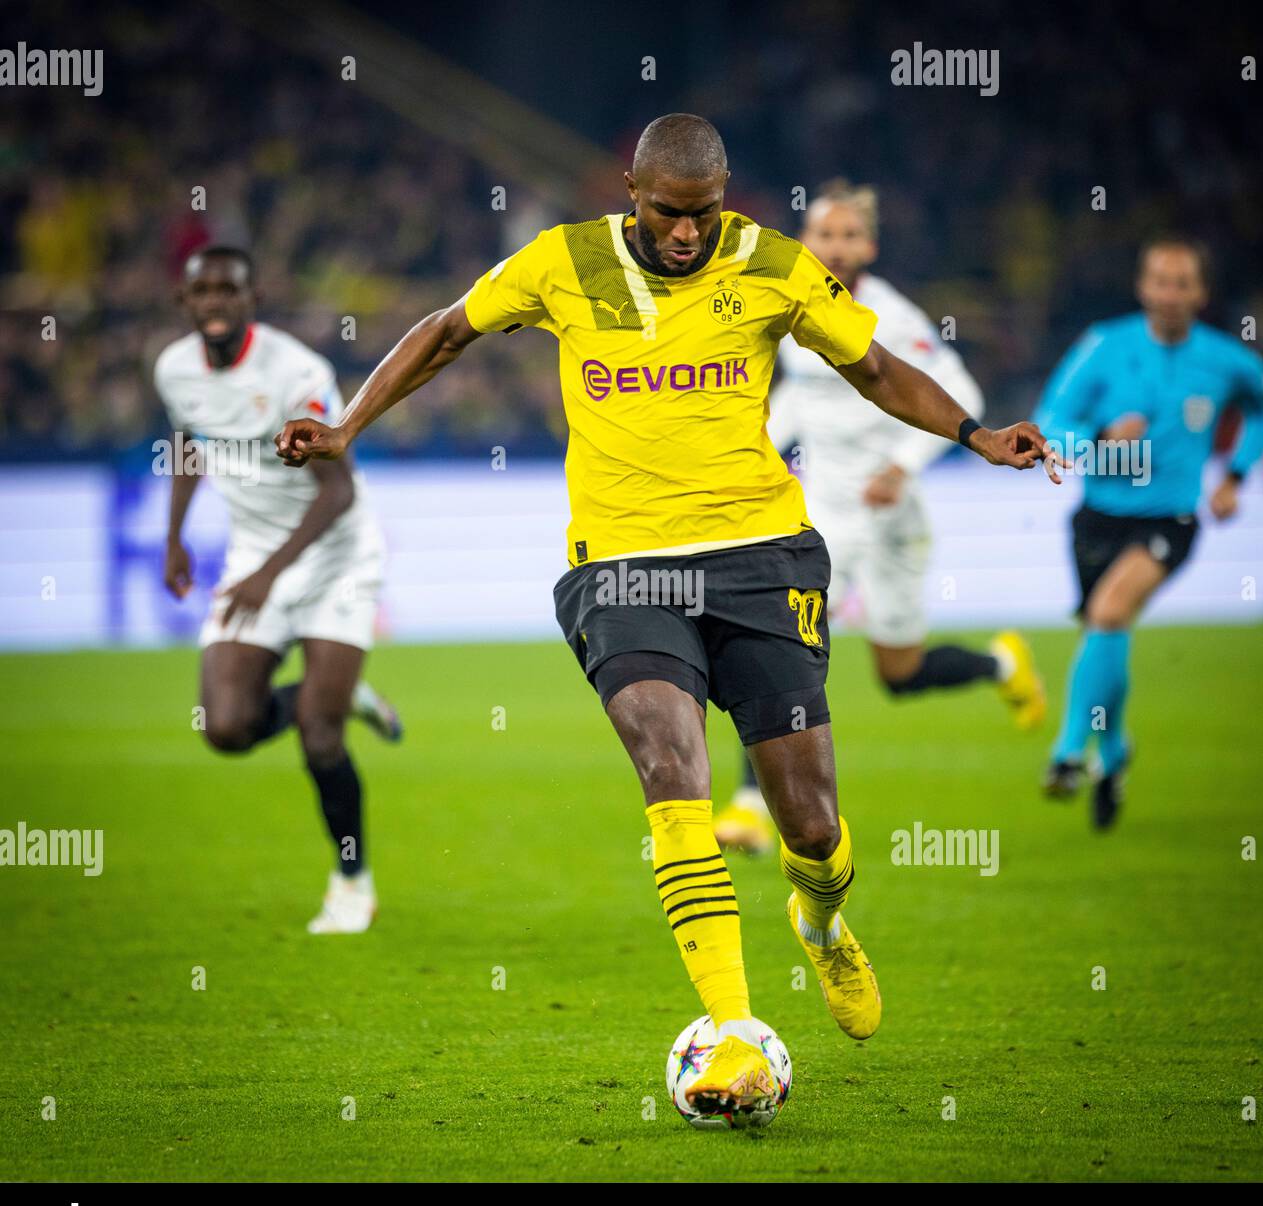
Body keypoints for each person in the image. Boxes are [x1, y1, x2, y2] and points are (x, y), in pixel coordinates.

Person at [276, 115, 1061, 1121]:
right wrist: (346, 423)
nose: (686, 236)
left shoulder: (774, 266)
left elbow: (871, 367)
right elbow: (444, 332)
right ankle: (732, 1027)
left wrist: (973, 431)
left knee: (811, 827)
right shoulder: (562, 262)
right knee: (670, 767)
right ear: (630, 195)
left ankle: (820, 924)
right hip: (622, 565)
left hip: (759, 554)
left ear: (725, 198)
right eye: (665, 216)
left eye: (703, 216)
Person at [713, 181, 1045, 856]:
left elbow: (964, 392)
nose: (834, 247)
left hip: (892, 517)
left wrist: (904, 465)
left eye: (847, 235)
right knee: (782, 642)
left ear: (870, 244)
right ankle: (751, 805)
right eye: (823, 234)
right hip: (823, 514)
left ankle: (998, 664)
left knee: (900, 675)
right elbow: (804, 404)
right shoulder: (789, 308)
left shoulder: (893, 319)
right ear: (807, 241)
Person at [156, 246, 401, 934]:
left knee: (320, 741)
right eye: (201, 292)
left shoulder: (297, 373)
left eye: (227, 291)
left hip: (336, 555)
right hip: (254, 555)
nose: (214, 303)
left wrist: (274, 573)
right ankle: (334, 693)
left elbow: (339, 487)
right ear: (185, 302)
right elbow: (187, 445)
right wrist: (175, 536)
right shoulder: (172, 369)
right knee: (227, 727)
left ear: (250, 299)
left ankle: (352, 881)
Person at [1037, 236, 1263, 828]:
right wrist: (1096, 440)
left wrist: (1236, 476)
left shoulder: (1227, 360)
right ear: (1143, 287)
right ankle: (1114, 750)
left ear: (1201, 292)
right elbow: (1051, 418)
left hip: (1170, 520)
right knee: (1104, 631)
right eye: (1160, 281)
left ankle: (1068, 753)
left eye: (1182, 283)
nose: (1170, 294)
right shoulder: (1104, 345)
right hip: (1098, 518)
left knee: (1111, 611)